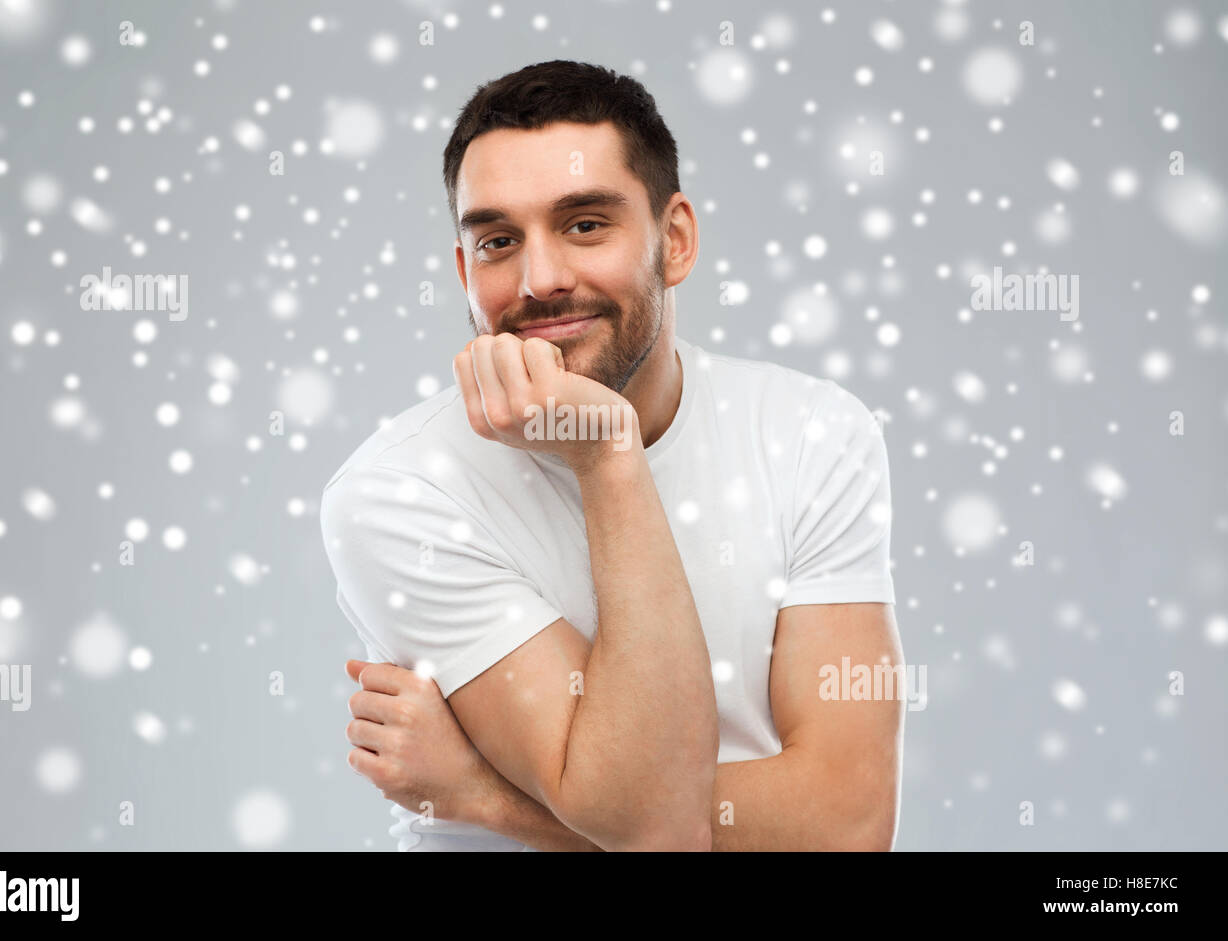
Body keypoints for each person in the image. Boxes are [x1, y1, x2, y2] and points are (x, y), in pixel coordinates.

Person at [321, 60, 905, 851]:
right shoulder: (400, 494)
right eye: (497, 241)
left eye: (585, 224)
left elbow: (847, 823)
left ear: (675, 241)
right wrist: (610, 460)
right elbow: (651, 819)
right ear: (465, 272)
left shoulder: (812, 433)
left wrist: (486, 797)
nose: (540, 279)